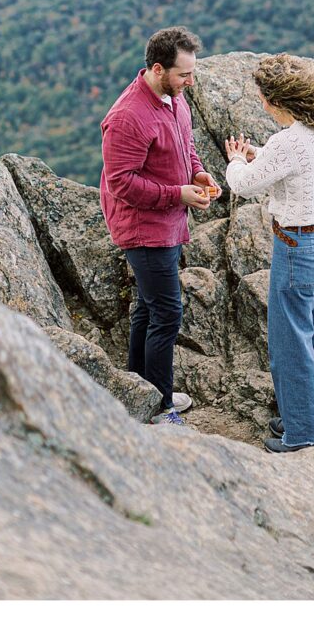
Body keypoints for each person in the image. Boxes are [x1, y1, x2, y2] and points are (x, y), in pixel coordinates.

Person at [224, 54, 314, 453]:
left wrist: (235, 161)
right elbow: (296, 163)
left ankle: (307, 432)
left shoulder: (288, 142)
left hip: (298, 250)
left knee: (290, 344)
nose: (262, 104)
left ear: (280, 100)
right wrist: (259, 153)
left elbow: (243, 186)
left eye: (264, 98)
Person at [99, 26, 222, 426]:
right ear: (157, 68)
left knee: (147, 309)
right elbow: (121, 183)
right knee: (167, 314)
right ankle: (161, 407)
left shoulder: (173, 99)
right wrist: (177, 194)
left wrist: (199, 175)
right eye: (184, 74)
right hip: (143, 228)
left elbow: (184, 144)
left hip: (167, 221)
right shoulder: (127, 117)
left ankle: (139, 392)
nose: (191, 82)